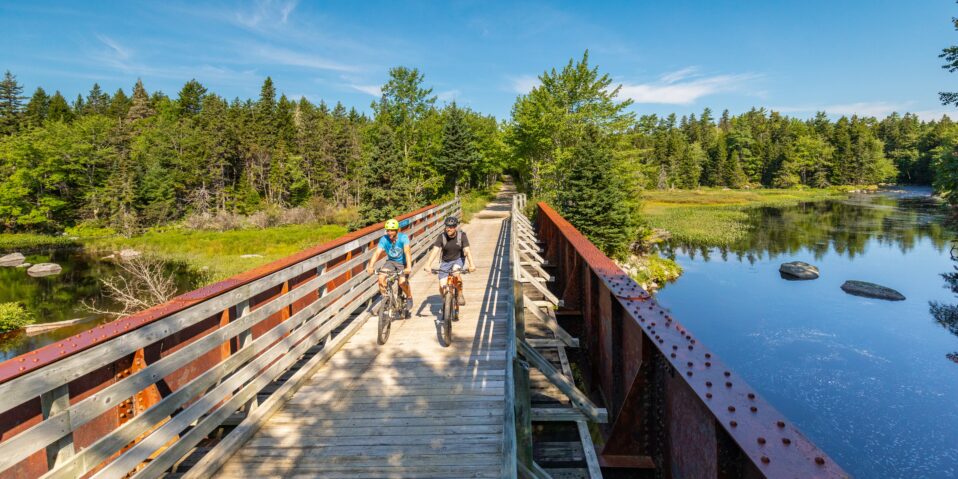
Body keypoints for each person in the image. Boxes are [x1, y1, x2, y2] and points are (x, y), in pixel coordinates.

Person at [422, 216, 476, 305]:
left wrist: (471, 264)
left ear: (455, 227)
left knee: (455, 272)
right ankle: (446, 301)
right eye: (447, 227)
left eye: (451, 227)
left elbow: (467, 250)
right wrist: (428, 264)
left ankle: (460, 293)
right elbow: (435, 251)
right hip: (446, 261)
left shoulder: (462, 235)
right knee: (441, 285)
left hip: (458, 259)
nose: (448, 229)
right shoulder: (441, 237)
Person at [366, 218, 413, 311]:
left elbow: (407, 252)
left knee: (402, 283)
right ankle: (386, 299)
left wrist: (409, 267)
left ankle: (409, 297)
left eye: (391, 230)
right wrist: (370, 266)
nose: (389, 232)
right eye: (387, 230)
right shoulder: (384, 239)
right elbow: (377, 253)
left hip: (402, 263)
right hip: (391, 262)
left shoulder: (403, 238)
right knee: (380, 278)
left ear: (397, 230)